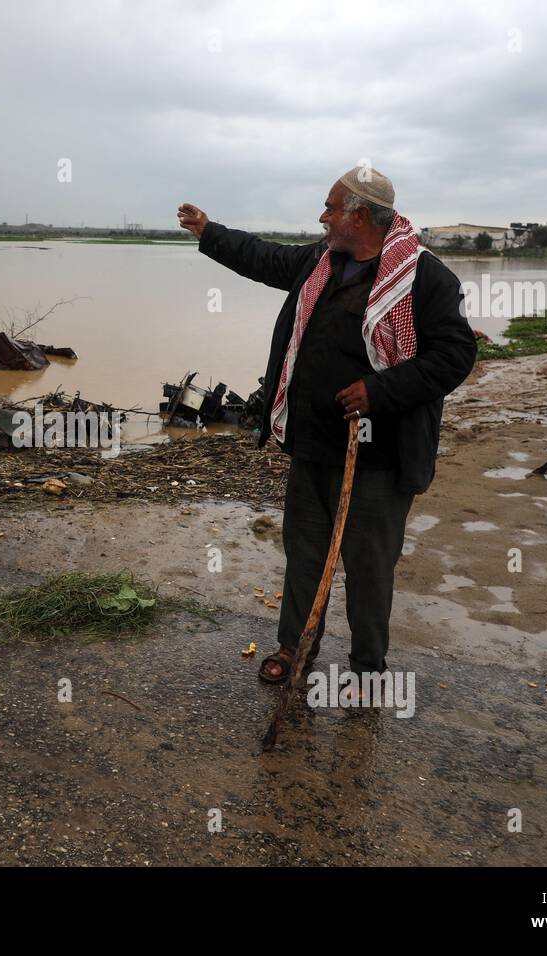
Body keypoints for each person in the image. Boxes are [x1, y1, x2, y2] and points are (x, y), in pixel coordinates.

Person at [177, 167, 476, 692]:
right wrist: (209, 231)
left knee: (369, 566)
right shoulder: (320, 262)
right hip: (313, 444)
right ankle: (294, 648)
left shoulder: (424, 277)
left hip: (378, 457)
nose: (322, 216)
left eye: (331, 208)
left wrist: (379, 392)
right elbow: (264, 257)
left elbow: (454, 356)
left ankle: (366, 668)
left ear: (359, 216)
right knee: (305, 554)